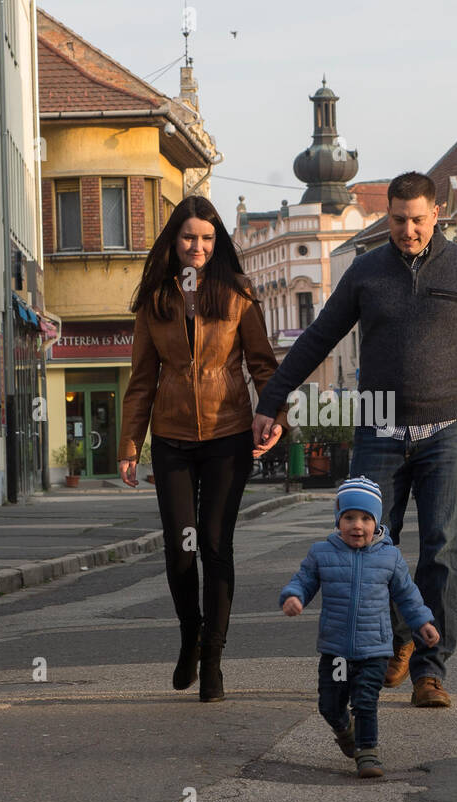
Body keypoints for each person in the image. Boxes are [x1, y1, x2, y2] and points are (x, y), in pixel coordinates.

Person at [252, 171, 457, 709]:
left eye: (417, 220)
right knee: (374, 544)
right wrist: (271, 401)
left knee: (443, 549)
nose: (408, 230)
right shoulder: (366, 270)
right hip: (378, 424)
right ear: (388, 216)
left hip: (449, 427)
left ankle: (430, 670)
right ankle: (397, 635)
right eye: (398, 220)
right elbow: (319, 335)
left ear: (435, 213)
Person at [117, 195, 288, 703]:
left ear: (218, 243)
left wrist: (274, 416)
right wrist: (130, 444)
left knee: (215, 545)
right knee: (180, 548)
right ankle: (190, 632)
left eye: (208, 238)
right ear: (174, 240)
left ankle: (213, 656)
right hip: (171, 438)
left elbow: (263, 364)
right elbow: (142, 379)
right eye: (190, 237)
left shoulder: (238, 293)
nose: (198, 246)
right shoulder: (156, 299)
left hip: (228, 434)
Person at [280, 476, 440, 778]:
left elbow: (408, 596)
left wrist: (423, 623)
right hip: (336, 650)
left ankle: (367, 753)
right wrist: (293, 596)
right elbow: (303, 580)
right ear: (338, 520)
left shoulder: (389, 557)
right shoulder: (322, 553)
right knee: (330, 704)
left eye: (366, 518)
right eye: (349, 517)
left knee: (365, 701)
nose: (358, 525)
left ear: (376, 521)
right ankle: (344, 731)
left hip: (374, 649)